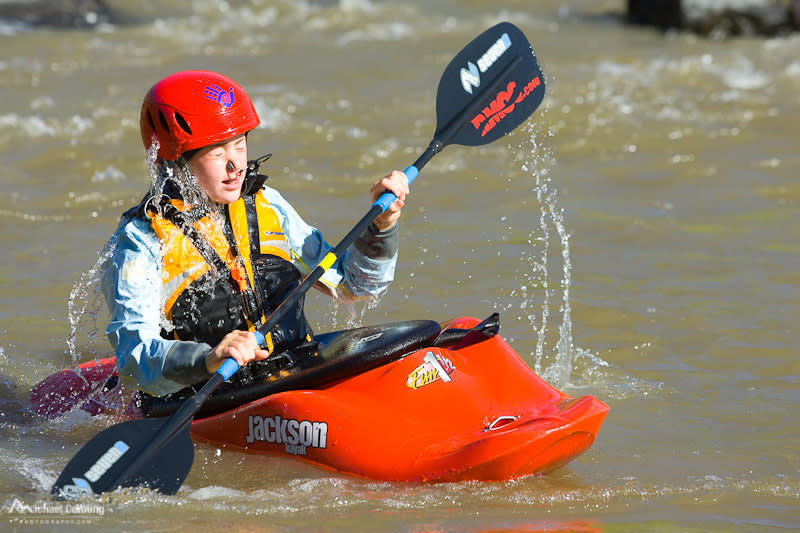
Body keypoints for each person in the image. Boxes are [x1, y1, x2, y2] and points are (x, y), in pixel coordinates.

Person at [101, 70, 409, 398]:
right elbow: (133, 360)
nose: (235, 166)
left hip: (293, 376)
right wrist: (208, 359)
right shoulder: (141, 241)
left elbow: (354, 285)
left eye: (239, 145)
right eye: (217, 153)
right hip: (210, 398)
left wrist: (382, 226)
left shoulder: (268, 205)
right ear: (177, 160)